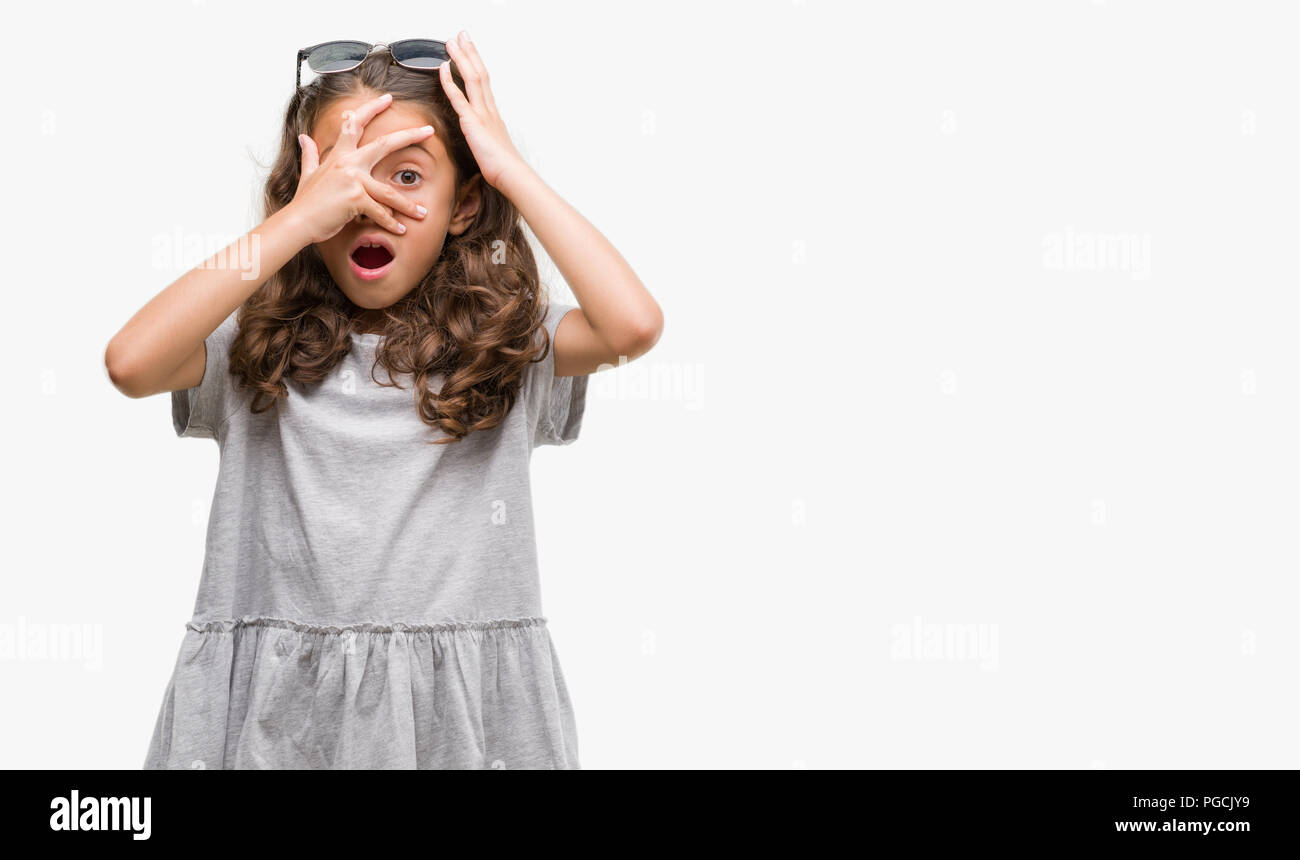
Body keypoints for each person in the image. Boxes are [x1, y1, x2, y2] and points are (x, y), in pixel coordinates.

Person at [104, 31, 663, 769]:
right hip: (276, 727)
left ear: (463, 205)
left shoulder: (509, 345)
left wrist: (510, 171)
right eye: (345, 172)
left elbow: (635, 324)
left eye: (405, 175)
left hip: (460, 731)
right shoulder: (251, 345)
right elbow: (130, 363)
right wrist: (295, 222)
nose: (368, 201)